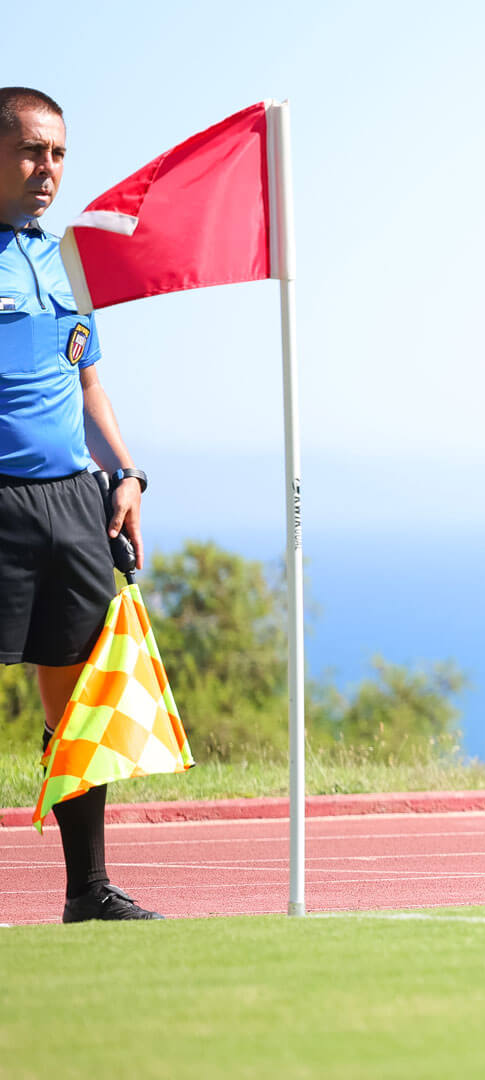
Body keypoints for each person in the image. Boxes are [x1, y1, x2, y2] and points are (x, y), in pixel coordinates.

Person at [0, 87, 159, 922]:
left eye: (58, 154)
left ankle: (86, 891)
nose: (48, 170)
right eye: (32, 151)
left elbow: (88, 383)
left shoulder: (62, 260)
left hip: (71, 504)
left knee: (79, 706)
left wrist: (128, 475)